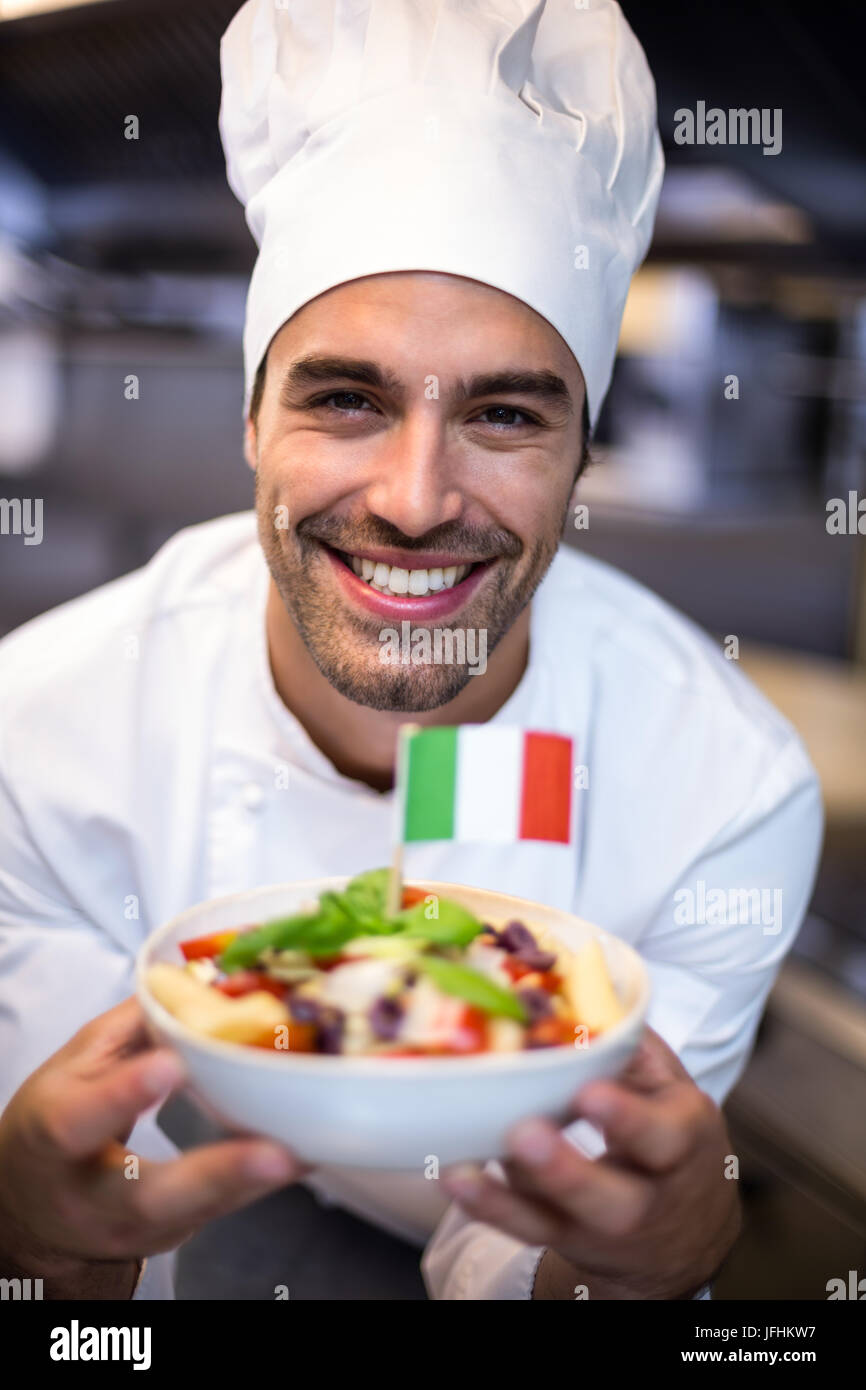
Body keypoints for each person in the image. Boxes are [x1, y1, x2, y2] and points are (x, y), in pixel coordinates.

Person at [0, 0, 822, 1301]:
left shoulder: (718, 791)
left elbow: (553, 1252)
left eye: (503, 411)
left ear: (576, 458)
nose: (415, 496)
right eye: (346, 397)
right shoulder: (36, 740)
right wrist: (39, 1256)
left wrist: (641, 1275)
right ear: (251, 424)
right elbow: (82, 1245)